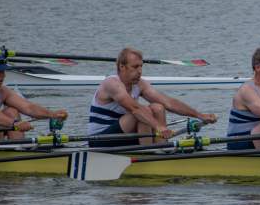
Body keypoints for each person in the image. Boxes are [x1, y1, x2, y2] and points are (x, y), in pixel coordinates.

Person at [87, 47, 217, 147]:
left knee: (158, 107)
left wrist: (200, 115)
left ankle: (160, 150)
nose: (140, 71)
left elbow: (169, 102)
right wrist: (159, 127)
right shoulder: (112, 84)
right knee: (143, 110)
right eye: (135, 67)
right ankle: (149, 152)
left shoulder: (140, 84)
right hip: (99, 140)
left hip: (122, 136)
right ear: (122, 67)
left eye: (141, 66)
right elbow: (135, 109)